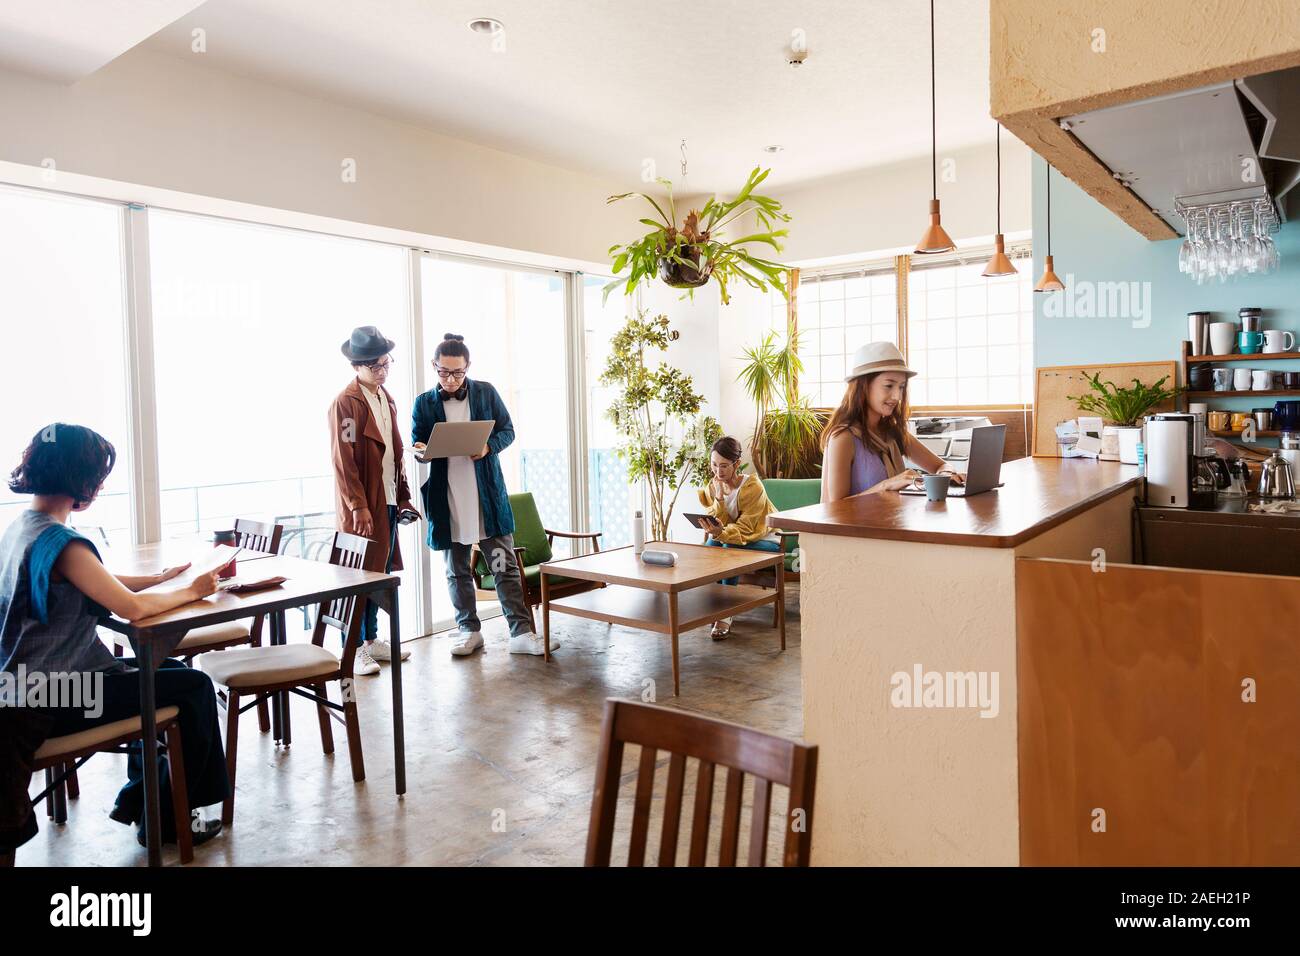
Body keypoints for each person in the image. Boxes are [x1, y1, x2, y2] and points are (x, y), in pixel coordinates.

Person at [0, 424, 229, 850]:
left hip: (19, 687)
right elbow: (131, 609)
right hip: (58, 696)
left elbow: (91, 579)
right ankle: (179, 816)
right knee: (194, 686)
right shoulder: (65, 542)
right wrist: (193, 590)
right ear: (82, 480)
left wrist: (159, 578)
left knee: (164, 672)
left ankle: (148, 804)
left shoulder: (23, 527)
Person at [411, 334, 556, 658]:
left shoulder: (486, 392)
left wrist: (489, 446)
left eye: (457, 373)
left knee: (503, 565)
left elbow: (507, 430)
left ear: (468, 368)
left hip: (486, 494)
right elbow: (417, 442)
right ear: (434, 367)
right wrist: (422, 451)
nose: (450, 379)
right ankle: (468, 630)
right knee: (456, 569)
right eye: (444, 372)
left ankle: (520, 633)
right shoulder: (423, 403)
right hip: (446, 497)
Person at [330, 326, 418, 676]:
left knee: (378, 572)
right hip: (363, 505)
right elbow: (344, 459)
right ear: (357, 365)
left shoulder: (386, 399)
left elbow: (395, 454)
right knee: (359, 577)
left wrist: (405, 495)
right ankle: (351, 649)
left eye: (386, 363)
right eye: (376, 366)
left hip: (389, 498)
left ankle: (371, 641)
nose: (383, 370)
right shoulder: (347, 404)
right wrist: (358, 506)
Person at [821, 342, 965, 501]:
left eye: (901, 387)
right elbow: (835, 508)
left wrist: (946, 475)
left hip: (892, 522)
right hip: (858, 526)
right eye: (888, 385)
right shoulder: (842, 438)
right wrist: (886, 485)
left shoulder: (892, 432)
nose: (897, 396)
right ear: (863, 386)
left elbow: (941, 466)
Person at [696, 436, 781, 640]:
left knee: (726, 546)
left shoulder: (753, 487)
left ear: (736, 464)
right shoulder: (714, 485)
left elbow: (746, 528)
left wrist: (721, 532)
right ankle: (715, 604)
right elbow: (720, 522)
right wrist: (719, 499)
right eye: (714, 465)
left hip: (767, 539)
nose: (718, 471)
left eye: (724, 466)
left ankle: (726, 614)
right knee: (711, 546)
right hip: (738, 539)